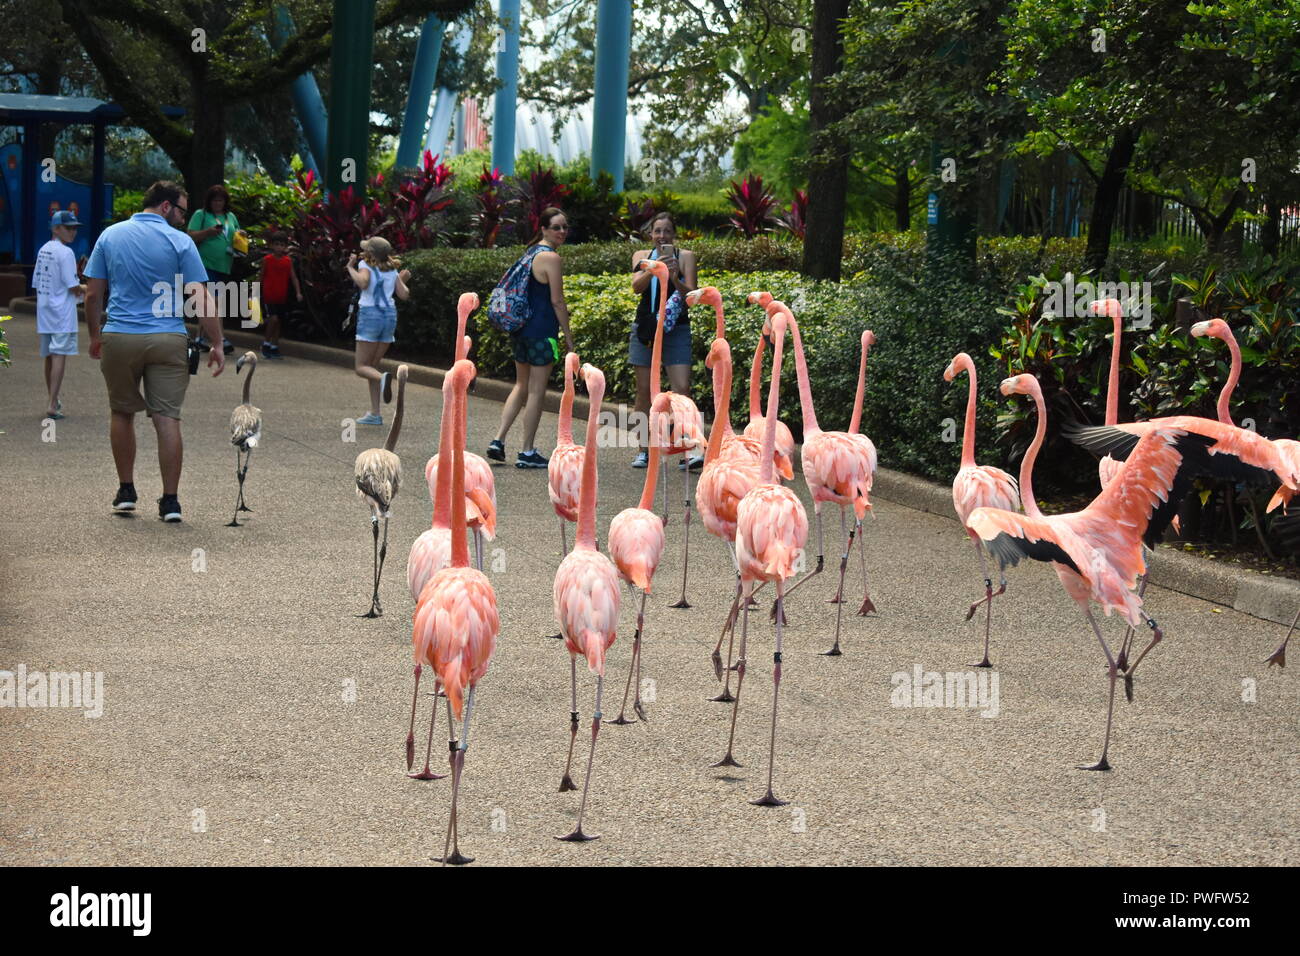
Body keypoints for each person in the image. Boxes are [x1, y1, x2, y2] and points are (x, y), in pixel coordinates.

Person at [84, 180, 224, 522]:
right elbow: (200, 297)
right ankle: (171, 502)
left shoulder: (110, 235)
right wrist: (217, 342)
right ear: (165, 206)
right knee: (167, 418)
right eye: (181, 210)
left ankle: (126, 492)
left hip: (120, 335)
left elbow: (91, 295)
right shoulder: (181, 242)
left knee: (121, 412)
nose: (182, 218)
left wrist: (94, 336)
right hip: (168, 337)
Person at [487, 207, 576, 469]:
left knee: (520, 386)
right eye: (557, 227)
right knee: (537, 391)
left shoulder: (530, 252)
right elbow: (557, 301)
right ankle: (526, 451)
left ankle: (498, 440)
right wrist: (568, 338)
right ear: (544, 229)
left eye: (565, 227)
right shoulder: (551, 258)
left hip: (520, 330)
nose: (562, 232)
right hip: (541, 332)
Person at [629, 212, 698, 469]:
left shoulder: (686, 256)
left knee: (681, 388)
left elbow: (692, 296)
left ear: (674, 234)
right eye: (657, 231)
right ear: (651, 234)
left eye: (667, 231)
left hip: (676, 327)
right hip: (647, 327)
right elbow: (636, 287)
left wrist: (676, 276)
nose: (662, 236)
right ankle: (644, 449)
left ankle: (688, 448)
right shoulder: (641, 256)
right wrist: (655, 268)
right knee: (644, 390)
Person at [347, 236, 411, 426]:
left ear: (370, 253)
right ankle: (375, 413)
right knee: (371, 366)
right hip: (389, 316)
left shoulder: (364, 265)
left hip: (370, 315)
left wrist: (350, 268)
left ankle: (383, 379)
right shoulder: (392, 269)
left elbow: (364, 283)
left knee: (361, 368)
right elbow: (404, 294)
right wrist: (400, 279)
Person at [33, 210, 87, 419]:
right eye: (68, 228)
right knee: (59, 356)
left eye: (74, 228)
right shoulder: (66, 253)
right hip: (62, 312)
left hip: (45, 309)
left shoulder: (43, 250)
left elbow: (36, 282)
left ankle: (52, 399)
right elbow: (73, 286)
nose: (73, 232)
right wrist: (88, 289)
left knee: (49, 355)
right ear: (56, 228)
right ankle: (52, 403)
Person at [186, 184, 240, 355]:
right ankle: (220, 338)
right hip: (205, 263)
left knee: (209, 303)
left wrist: (241, 237)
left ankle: (200, 338)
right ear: (209, 201)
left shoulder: (230, 216)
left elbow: (237, 235)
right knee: (215, 302)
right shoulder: (201, 215)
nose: (218, 203)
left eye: (221, 200)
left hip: (224, 264)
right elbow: (190, 235)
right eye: (215, 200)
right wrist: (208, 232)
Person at [257, 232, 300, 360]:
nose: (279, 248)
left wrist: (298, 292)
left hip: (281, 296)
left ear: (285, 247)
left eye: (282, 245)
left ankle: (274, 347)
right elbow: (261, 276)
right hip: (268, 295)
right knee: (273, 319)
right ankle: (265, 344)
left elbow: (293, 278)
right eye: (276, 244)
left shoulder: (288, 261)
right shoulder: (267, 260)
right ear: (271, 245)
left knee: (278, 322)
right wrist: (254, 292)